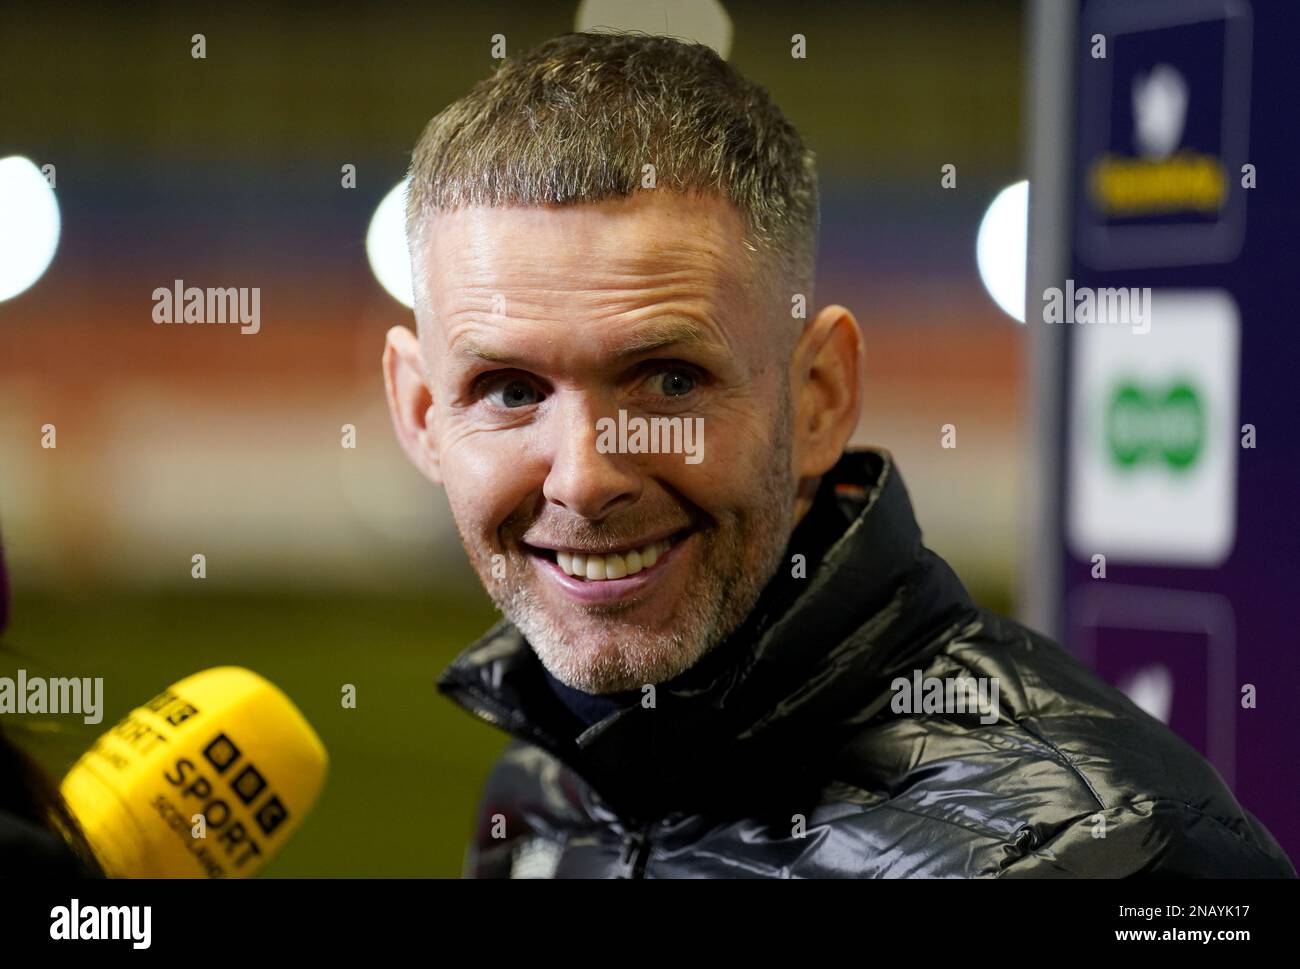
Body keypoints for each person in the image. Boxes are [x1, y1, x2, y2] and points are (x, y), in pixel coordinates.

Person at [382, 31, 1295, 878]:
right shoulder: (544, 792)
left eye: (669, 381)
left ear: (819, 397)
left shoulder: (1102, 850)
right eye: (510, 391)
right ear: (422, 412)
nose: (583, 477)